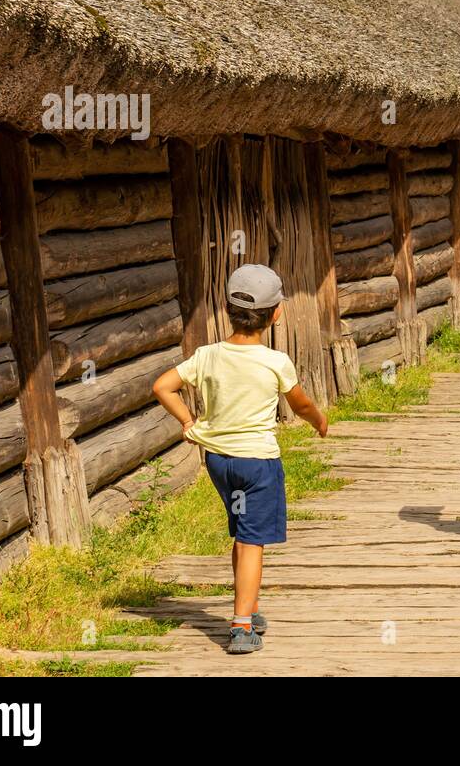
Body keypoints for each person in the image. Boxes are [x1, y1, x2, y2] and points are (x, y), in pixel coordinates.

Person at [152, 264, 328, 654]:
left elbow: (163, 386)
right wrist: (319, 419)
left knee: (242, 535)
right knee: (252, 543)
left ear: (227, 309)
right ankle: (241, 627)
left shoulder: (207, 355)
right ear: (276, 313)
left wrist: (188, 422)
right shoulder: (275, 362)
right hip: (257, 465)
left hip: (219, 462)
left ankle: (249, 608)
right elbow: (299, 404)